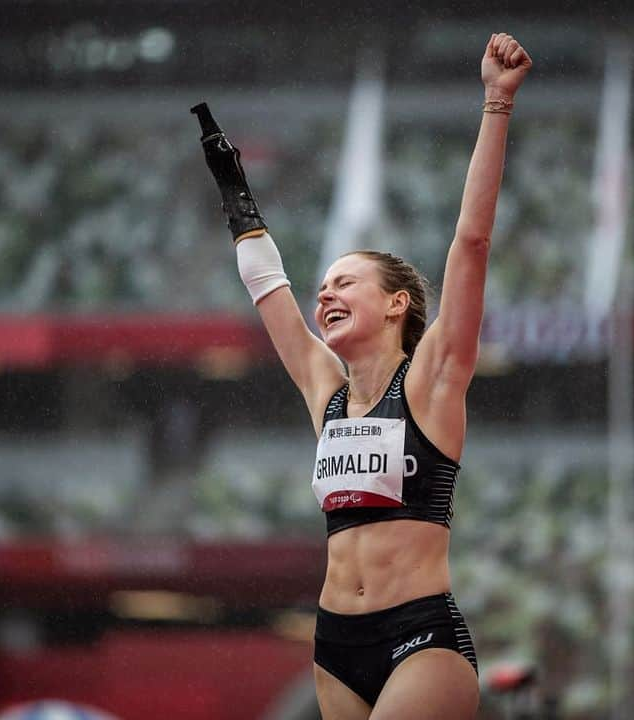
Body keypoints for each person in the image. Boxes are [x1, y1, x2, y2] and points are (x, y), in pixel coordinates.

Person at [195, 31, 532, 720]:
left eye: (345, 282)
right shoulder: (329, 391)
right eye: (324, 287)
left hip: (420, 640)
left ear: (398, 304)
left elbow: (470, 243)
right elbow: (269, 288)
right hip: (334, 644)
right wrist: (235, 194)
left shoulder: (434, 381)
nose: (325, 295)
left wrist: (496, 104)